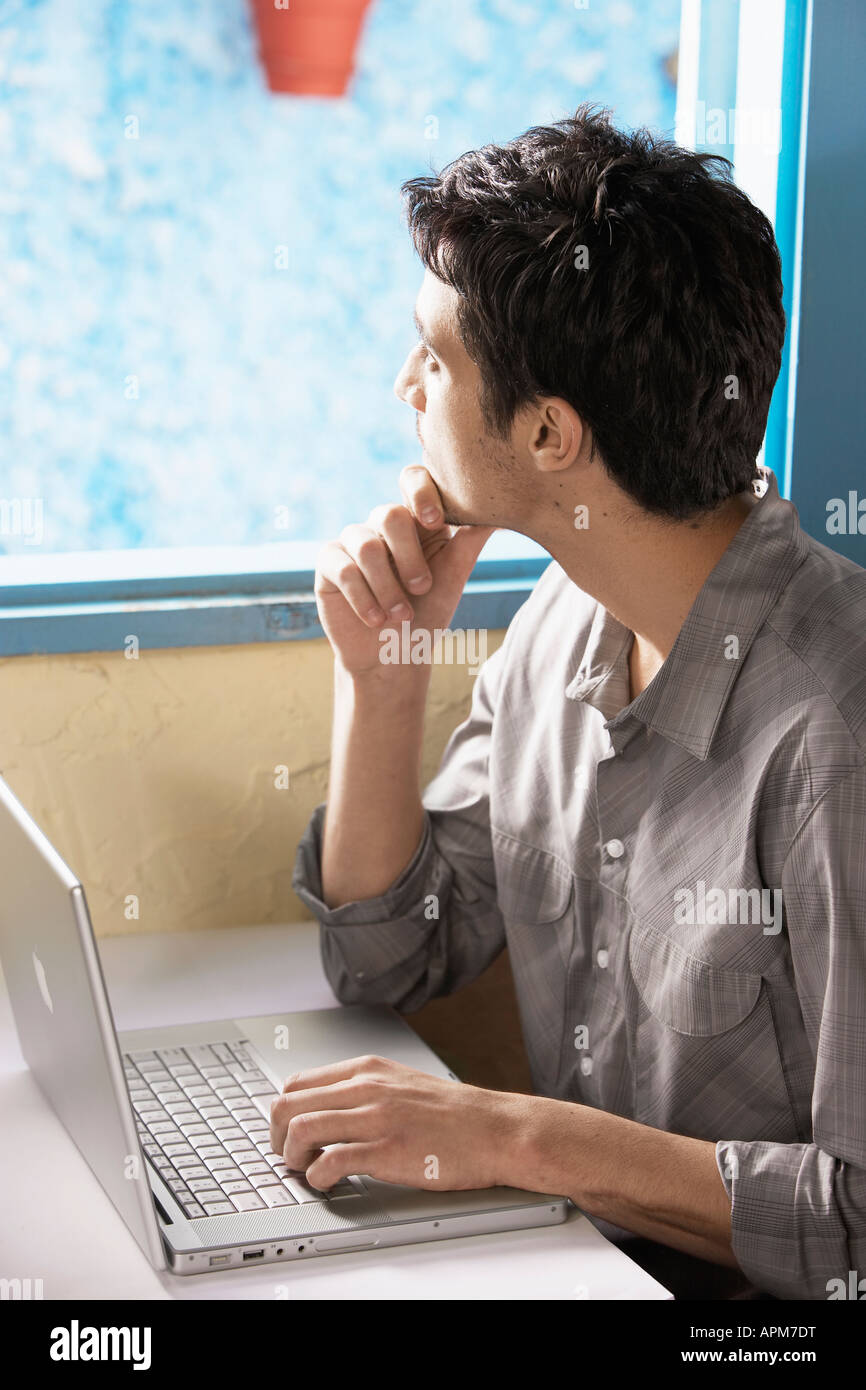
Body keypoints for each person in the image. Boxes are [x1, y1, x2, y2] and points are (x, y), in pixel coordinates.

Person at [277, 105, 866, 1300]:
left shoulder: (832, 736)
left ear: (549, 432)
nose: (404, 384)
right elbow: (388, 959)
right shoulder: (563, 619)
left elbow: (855, 1223)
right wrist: (382, 673)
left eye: (433, 356)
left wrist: (510, 1136)